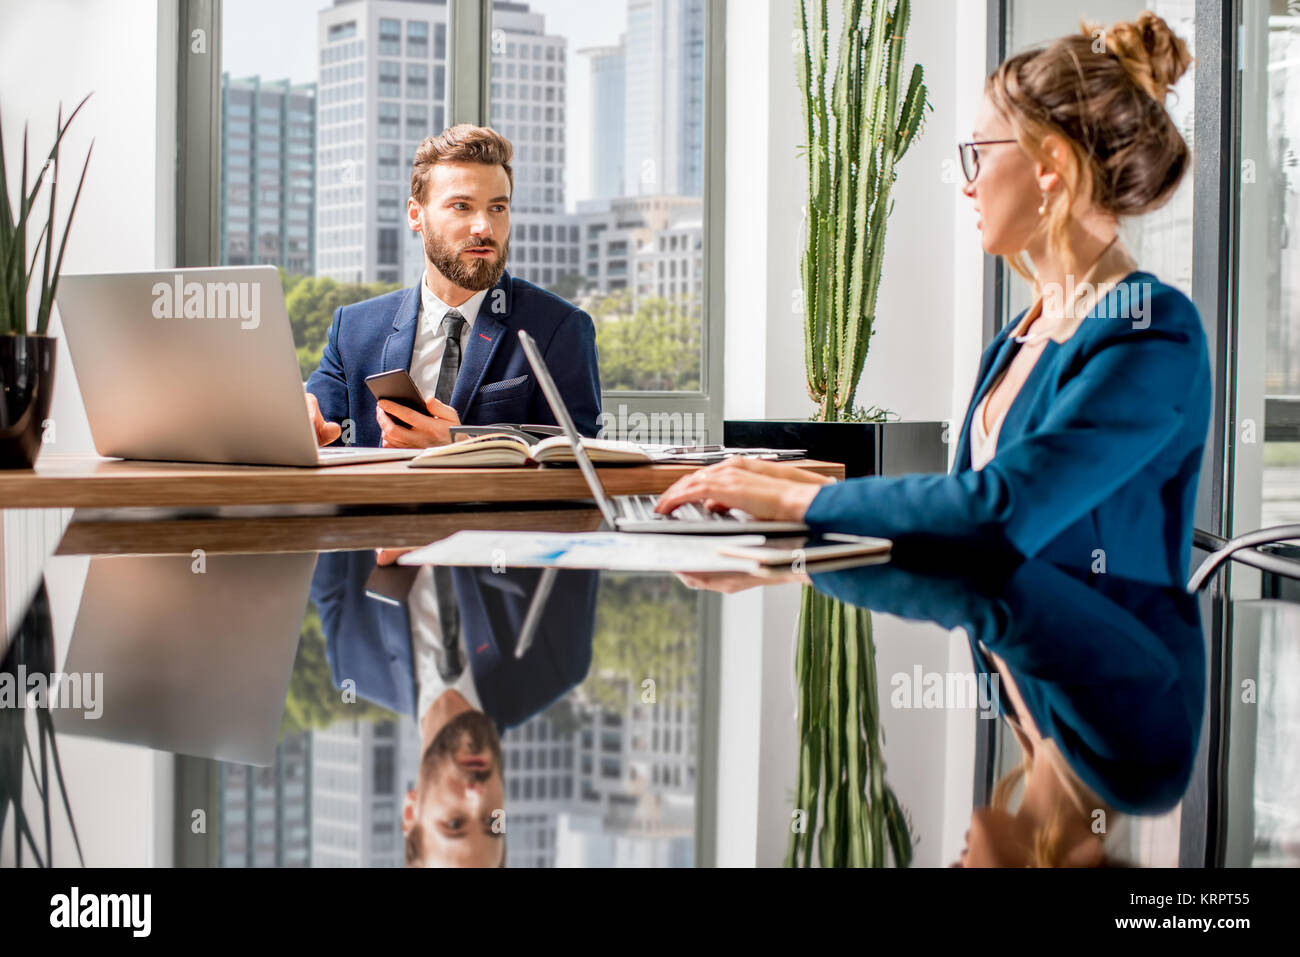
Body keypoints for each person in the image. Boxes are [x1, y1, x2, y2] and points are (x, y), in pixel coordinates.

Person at [656, 12, 1210, 588]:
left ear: (1051, 164)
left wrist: (801, 501)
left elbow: (1002, 510)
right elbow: (957, 529)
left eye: (981, 153)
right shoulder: (1017, 339)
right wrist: (793, 551)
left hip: (1091, 675)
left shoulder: (1151, 330)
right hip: (1002, 661)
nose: (968, 181)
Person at [305, 125, 602, 450]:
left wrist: (463, 445)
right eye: (462, 206)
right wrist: (303, 424)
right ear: (416, 214)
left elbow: (578, 461)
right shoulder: (353, 331)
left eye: (498, 208)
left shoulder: (559, 329)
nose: (484, 227)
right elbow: (318, 431)